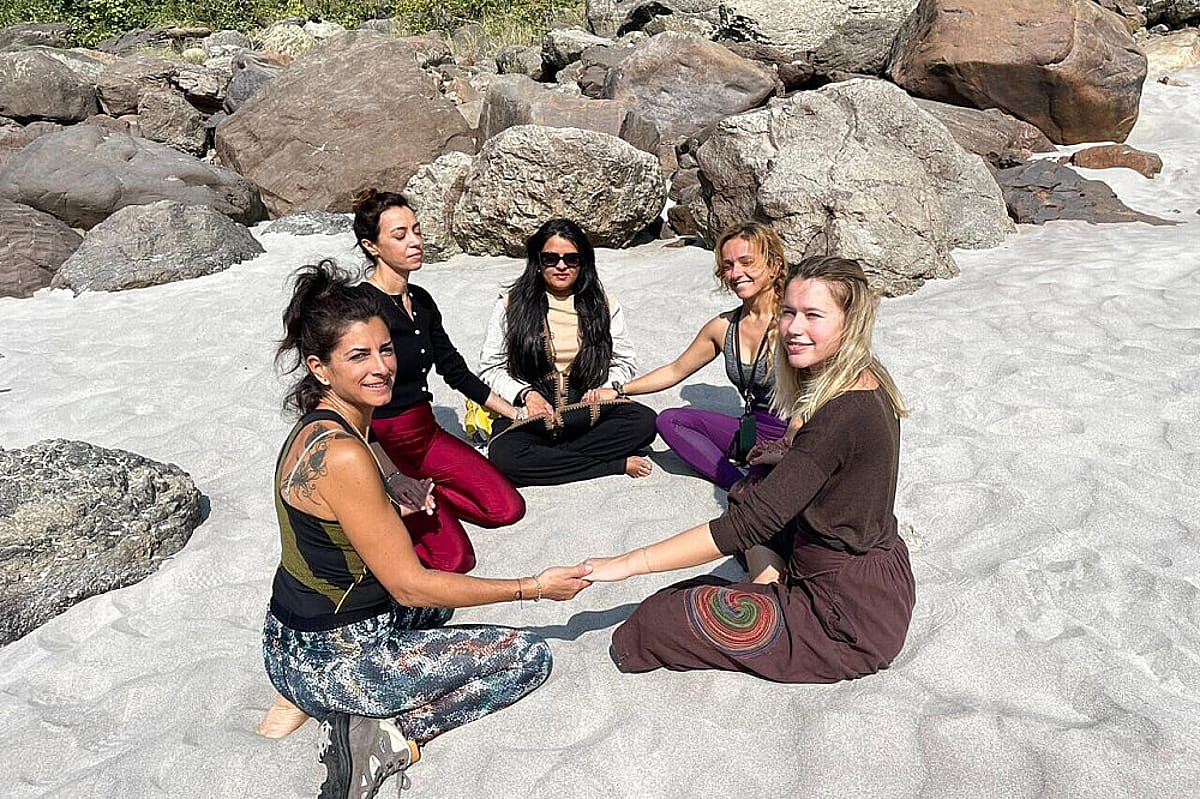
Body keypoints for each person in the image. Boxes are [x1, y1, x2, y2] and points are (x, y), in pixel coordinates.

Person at [260, 261, 592, 798]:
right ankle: (386, 735)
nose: (381, 367)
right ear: (320, 368)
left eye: (385, 349)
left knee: (439, 606)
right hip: (336, 656)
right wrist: (532, 588)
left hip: (288, 635)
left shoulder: (324, 426)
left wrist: (395, 495)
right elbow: (409, 585)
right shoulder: (345, 455)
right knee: (528, 656)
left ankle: (315, 695)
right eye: (359, 356)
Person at [584, 255, 916, 683]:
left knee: (650, 625)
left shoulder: (842, 412)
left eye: (813, 315)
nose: (794, 328)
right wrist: (788, 455)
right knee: (749, 488)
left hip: (842, 615)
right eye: (789, 312)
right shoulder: (864, 377)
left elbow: (745, 527)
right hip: (875, 571)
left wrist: (628, 563)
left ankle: (767, 581)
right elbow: (828, 455)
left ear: (850, 323)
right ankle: (769, 572)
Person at [353, 189, 525, 575]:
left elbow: (455, 370)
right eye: (399, 235)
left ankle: (424, 499)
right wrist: (393, 477)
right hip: (379, 443)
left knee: (506, 509)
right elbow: (348, 403)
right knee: (455, 559)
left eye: (416, 230)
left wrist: (513, 412)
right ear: (372, 246)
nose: (415, 241)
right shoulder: (359, 308)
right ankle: (384, 507)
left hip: (425, 434)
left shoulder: (422, 300)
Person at [582, 221, 792, 492]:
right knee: (671, 420)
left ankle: (761, 476)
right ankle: (737, 485)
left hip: (797, 433)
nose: (736, 273)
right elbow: (675, 370)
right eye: (728, 266)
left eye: (746, 262)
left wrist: (790, 439)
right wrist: (618, 389)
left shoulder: (795, 320)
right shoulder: (723, 326)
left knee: (770, 473)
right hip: (754, 428)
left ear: (774, 266)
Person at [477, 218, 658, 486]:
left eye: (571, 259)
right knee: (504, 456)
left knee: (645, 422)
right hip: (535, 414)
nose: (561, 266)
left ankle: (553, 460)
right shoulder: (511, 304)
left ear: (583, 262)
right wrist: (527, 394)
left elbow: (623, 361)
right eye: (551, 258)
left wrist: (603, 390)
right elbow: (490, 368)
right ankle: (611, 465)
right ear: (538, 262)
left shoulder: (605, 305)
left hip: (586, 411)